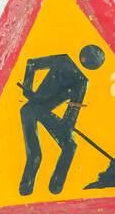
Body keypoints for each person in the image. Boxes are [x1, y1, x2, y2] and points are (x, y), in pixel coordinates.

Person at [16, 44, 105, 195]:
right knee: (37, 154)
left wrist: (68, 122)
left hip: (40, 111)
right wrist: (27, 88)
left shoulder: (81, 80)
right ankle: (31, 188)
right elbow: (32, 63)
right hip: (31, 110)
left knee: (68, 147)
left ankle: (52, 188)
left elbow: (73, 110)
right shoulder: (64, 61)